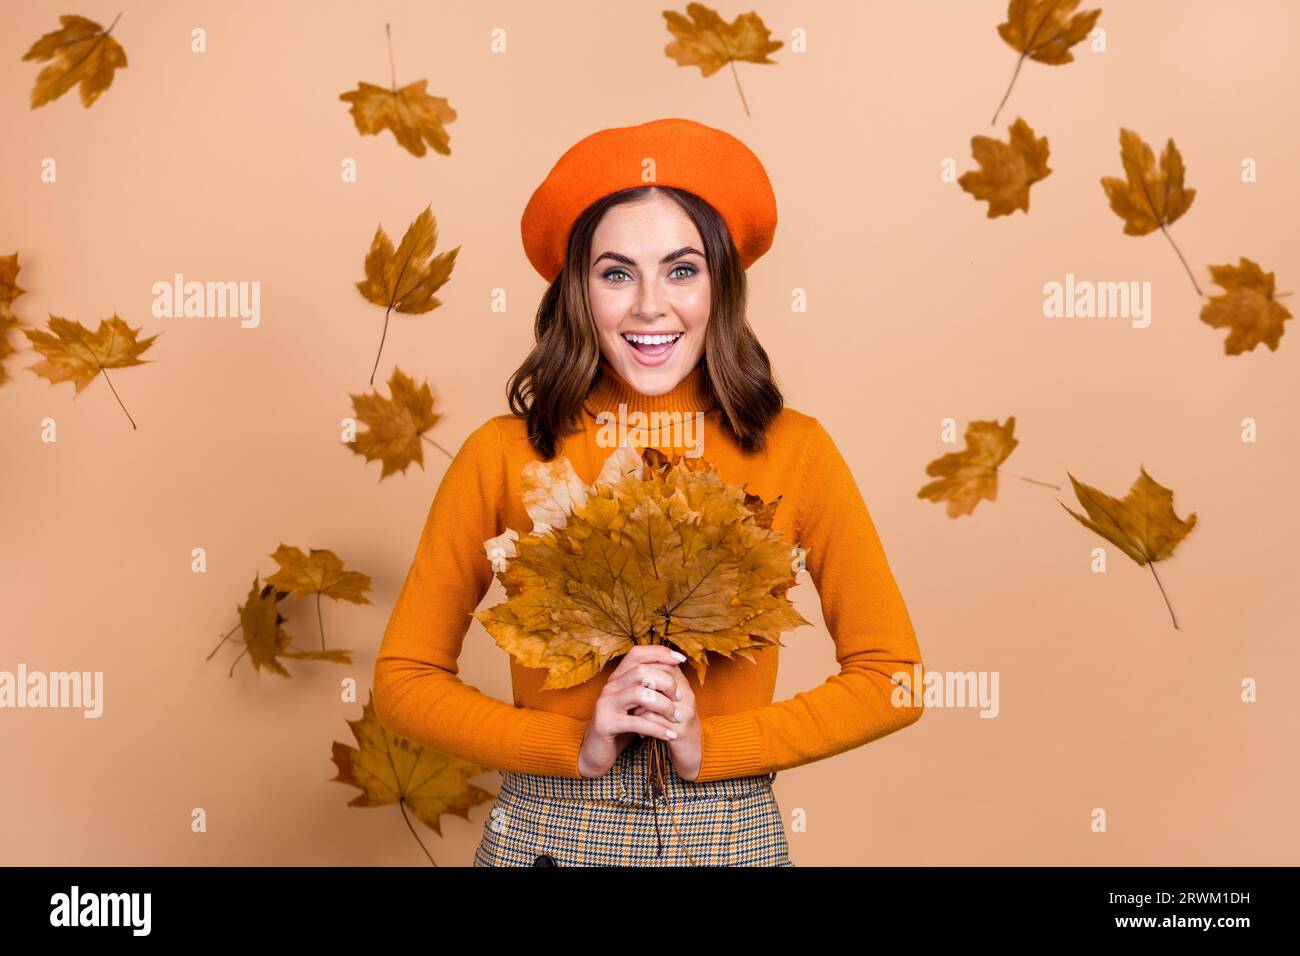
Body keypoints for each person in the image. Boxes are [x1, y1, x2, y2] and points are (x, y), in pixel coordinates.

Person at [373, 117, 925, 867]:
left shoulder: (796, 452)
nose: (649, 307)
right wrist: (575, 745)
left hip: (727, 840)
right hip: (546, 839)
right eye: (616, 273)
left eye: (681, 269)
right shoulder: (500, 455)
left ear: (720, 284)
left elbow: (894, 679)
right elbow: (403, 681)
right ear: (580, 289)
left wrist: (714, 746)